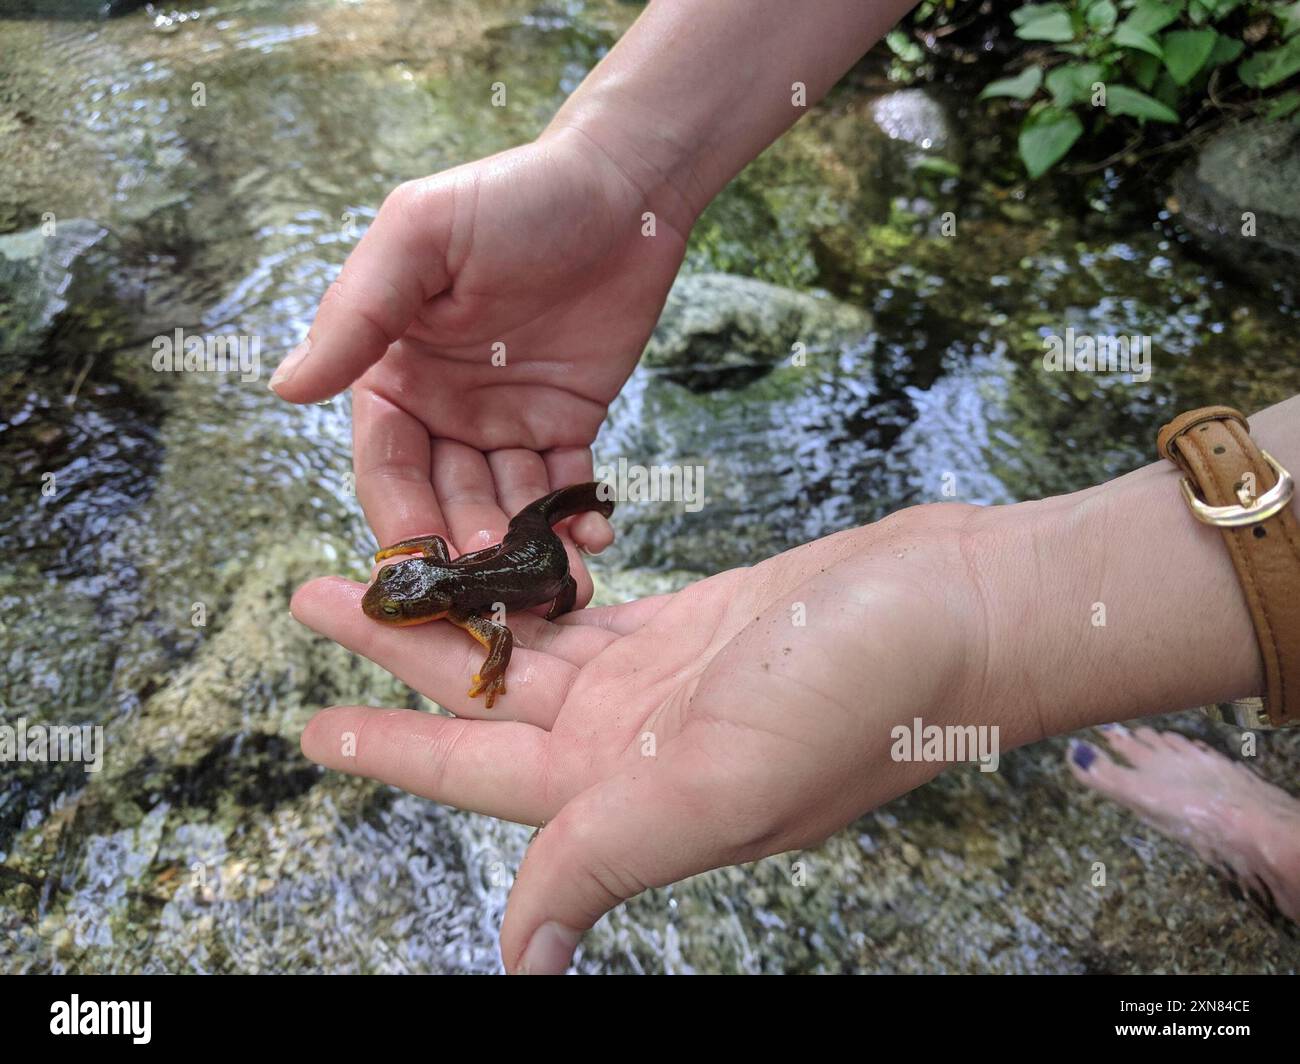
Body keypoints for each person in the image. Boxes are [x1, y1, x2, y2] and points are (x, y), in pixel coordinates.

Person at [270, 0, 1300, 973]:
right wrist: (621, 163)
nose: (412, 595)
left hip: (529, 557)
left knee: (553, 551)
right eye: (412, 593)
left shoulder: (476, 603)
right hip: (523, 560)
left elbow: (493, 621)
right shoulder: (465, 588)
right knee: (552, 560)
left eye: (408, 589)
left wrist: (993, 620)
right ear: (430, 587)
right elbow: (473, 593)